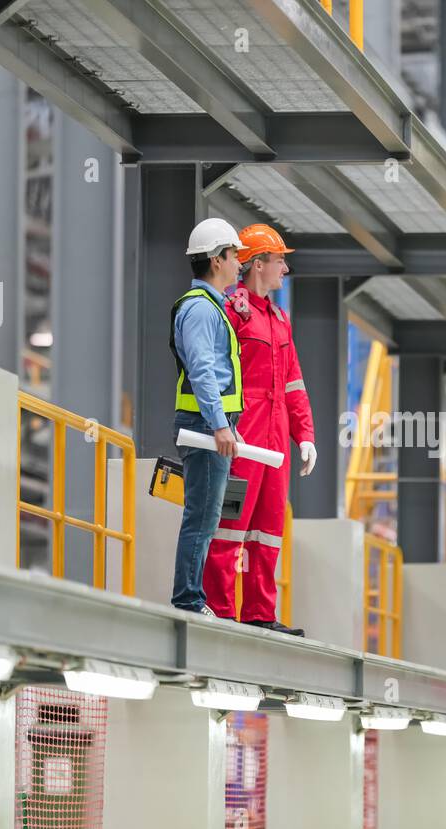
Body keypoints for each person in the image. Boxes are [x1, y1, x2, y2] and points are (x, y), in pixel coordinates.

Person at [203, 223, 316, 636]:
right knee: (229, 524)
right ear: (257, 264)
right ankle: (218, 607)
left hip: (274, 442)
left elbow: (293, 383)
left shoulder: (279, 320)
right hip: (242, 437)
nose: (285, 268)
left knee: (268, 530)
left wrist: (305, 435)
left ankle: (260, 613)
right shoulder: (233, 312)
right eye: (279, 260)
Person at [169, 218, 246, 617]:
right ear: (217, 260)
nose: (239, 265)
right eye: (235, 256)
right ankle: (188, 600)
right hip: (203, 426)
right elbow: (202, 369)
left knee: (207, 515)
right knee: (201, 515)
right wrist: (218, 424)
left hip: (211, 424)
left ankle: (192, 597)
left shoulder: (211, 307)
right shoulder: (200, 310)